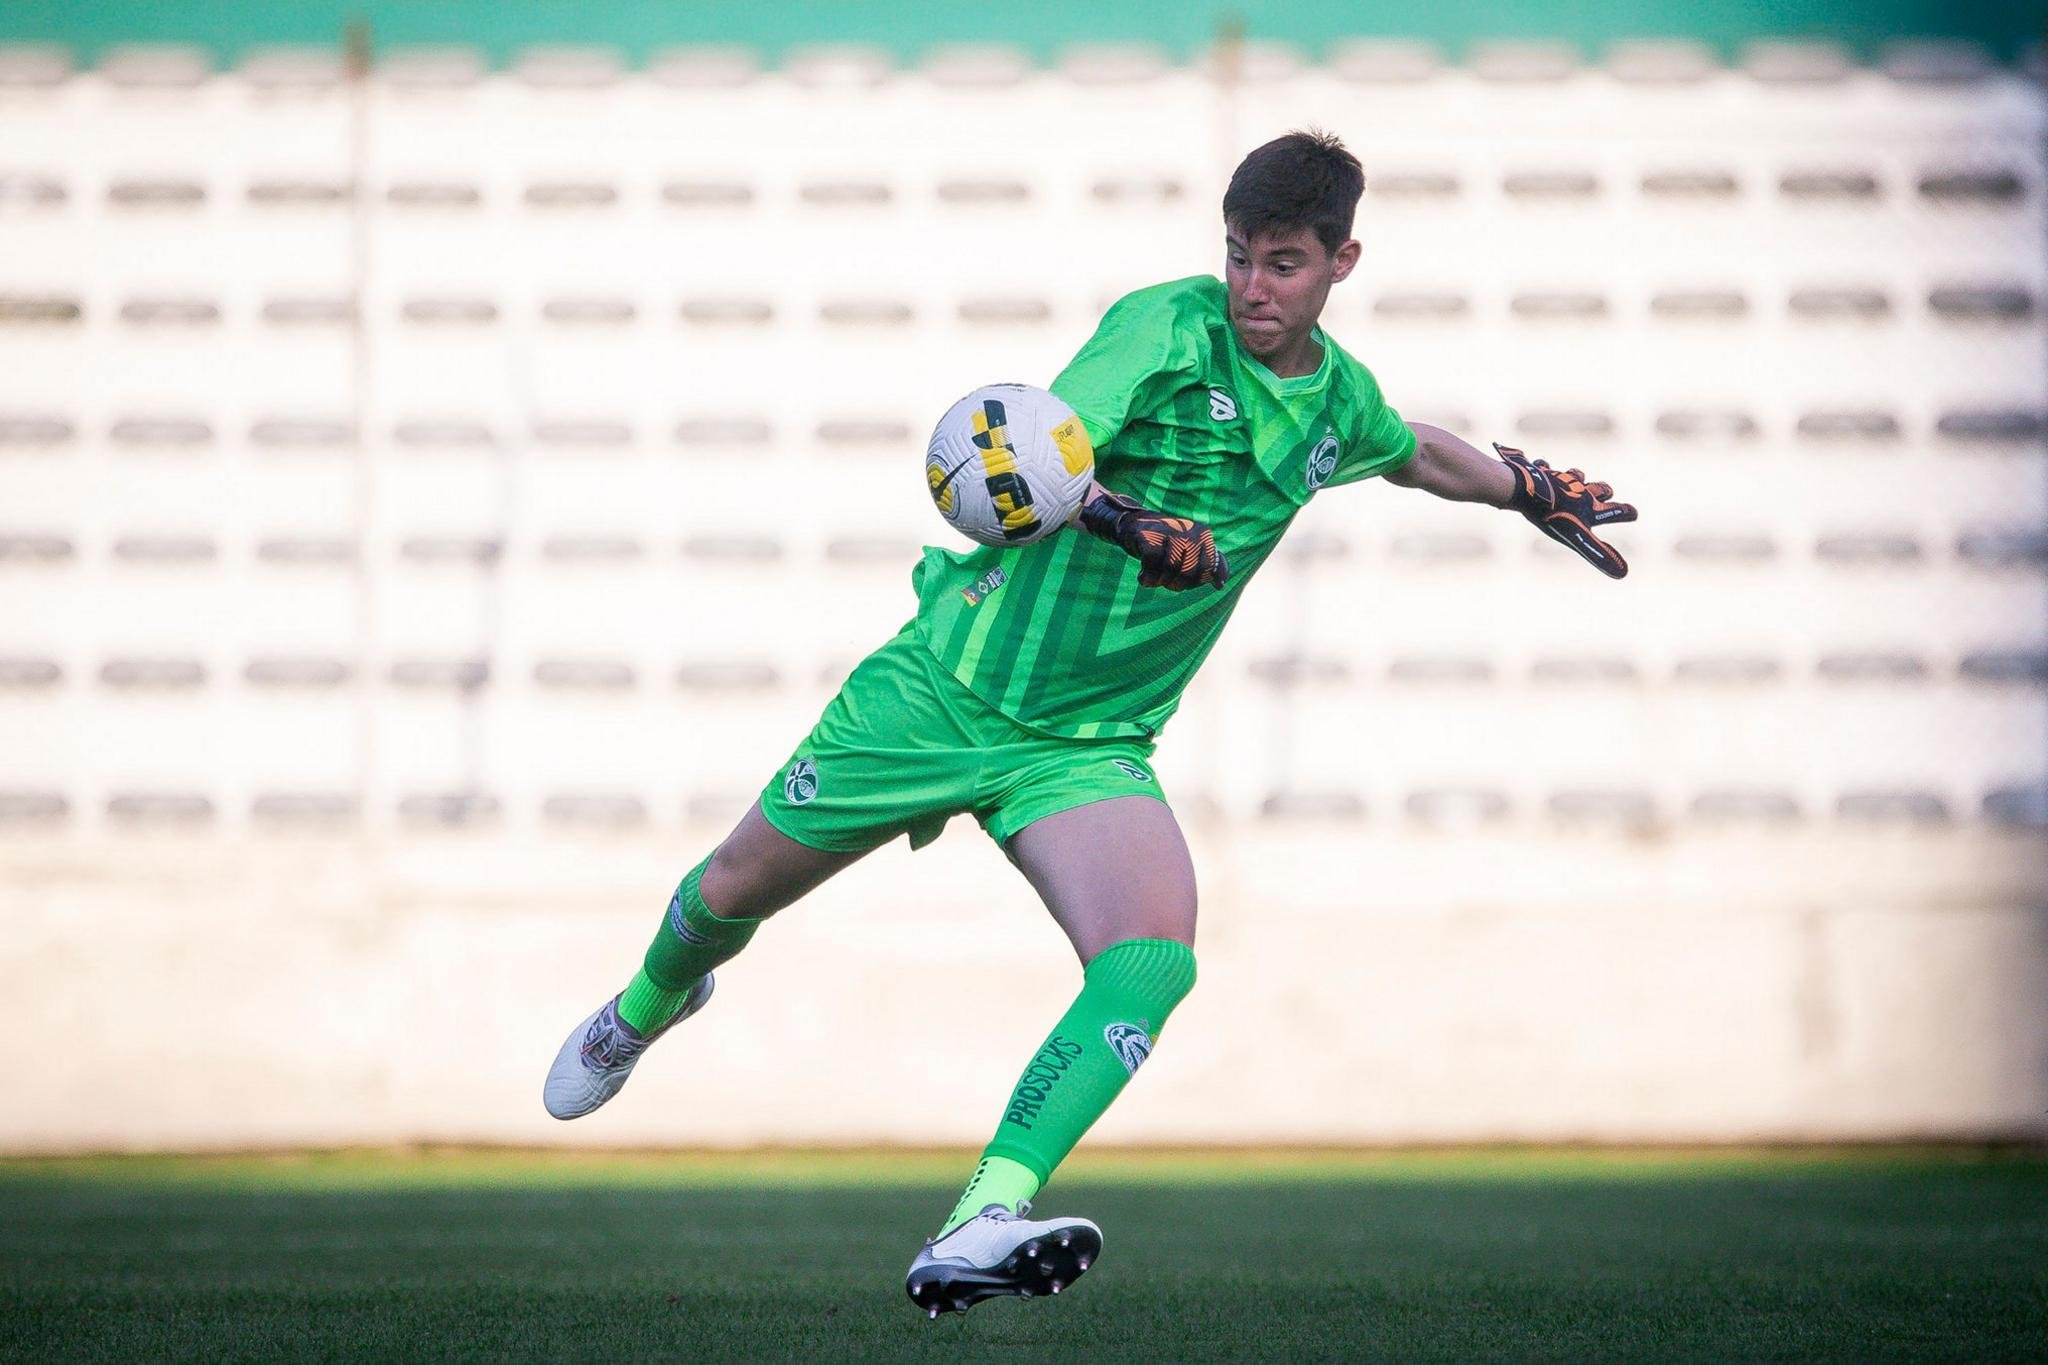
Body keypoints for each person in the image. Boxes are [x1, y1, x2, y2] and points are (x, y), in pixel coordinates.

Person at [542, 129, 1637, 1316]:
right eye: (1237, 257)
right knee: (725, 893)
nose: (1251, 288)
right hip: (942, 690)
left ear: (1340, 262)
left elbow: (1408, 450)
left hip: (1087, 749)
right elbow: (1022, 446)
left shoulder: (1336, 401)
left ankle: (980, 1217)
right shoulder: (1166, 329)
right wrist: (1120, 518)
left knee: (1153, 957)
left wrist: (1520, 487)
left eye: (1280, 264)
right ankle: (647, 1006)